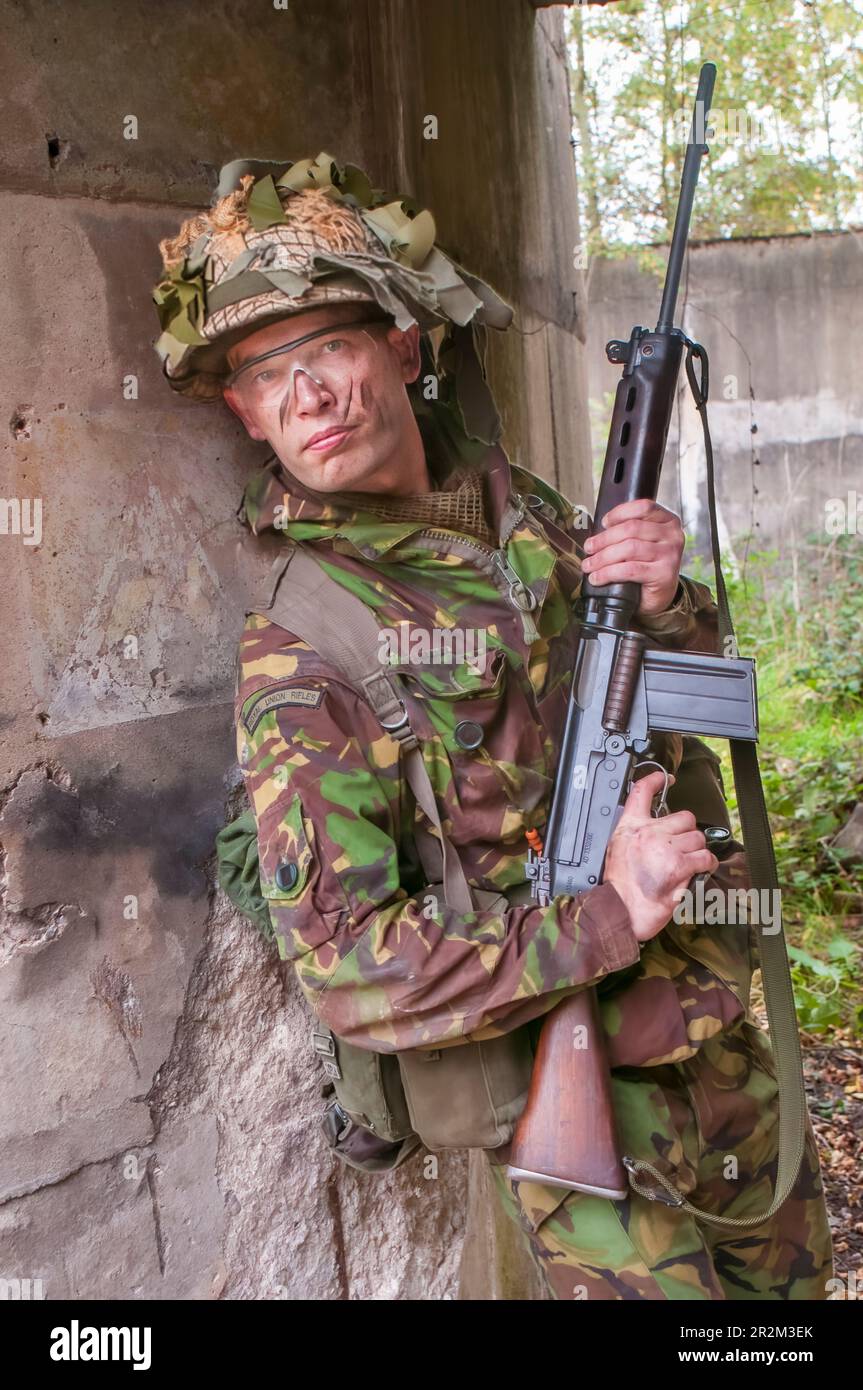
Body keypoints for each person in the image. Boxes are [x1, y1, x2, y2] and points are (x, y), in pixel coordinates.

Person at [151, 153, 833, 1300]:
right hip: (587, 1110)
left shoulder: (535, 521)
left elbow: (691, 696)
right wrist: (603, 915)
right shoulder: (304, 645)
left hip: (719, 1048)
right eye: (268, 375)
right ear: (242, 409)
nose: (307, 394)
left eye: (330, 347)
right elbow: (349, 966)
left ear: (405, 347)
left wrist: (668, 605)